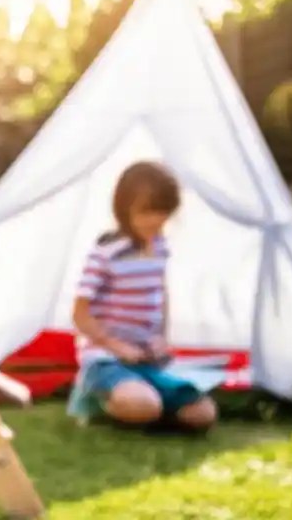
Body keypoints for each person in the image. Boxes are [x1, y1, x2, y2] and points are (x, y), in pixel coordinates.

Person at [68, 161, 217, 431]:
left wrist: (161, 338)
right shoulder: (106, 252)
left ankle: (149, 405)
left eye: (163, 213)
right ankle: (99, 401)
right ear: (125, 209)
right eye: (147, 212)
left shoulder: (159, 247)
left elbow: (160, 295)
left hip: (146, 358)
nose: (156, 220)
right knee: (143, 406)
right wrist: (116, 346)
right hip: (107, 359)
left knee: (203, 414)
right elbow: (80, 315)